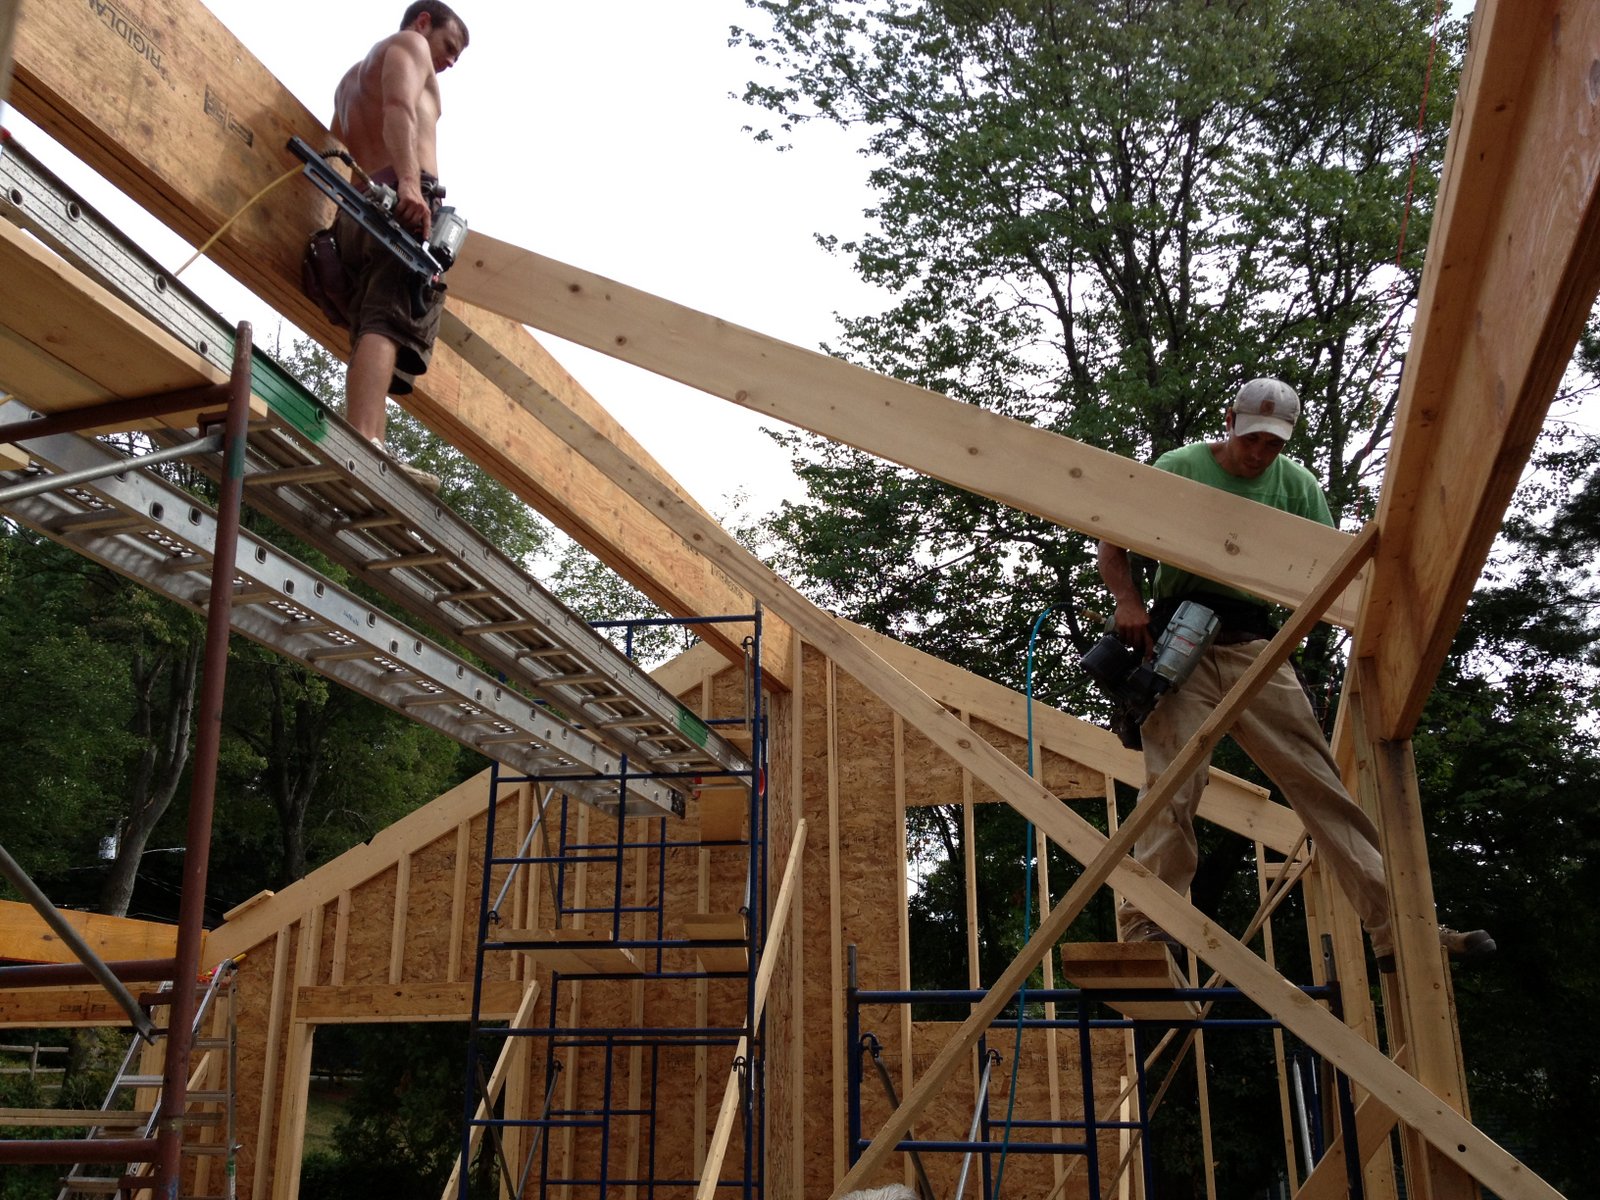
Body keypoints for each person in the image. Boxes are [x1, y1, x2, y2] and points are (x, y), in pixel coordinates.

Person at [1096, 378, 1491, 973]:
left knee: (1318, 783)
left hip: (1257, 643)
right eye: (1252, 439)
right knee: (1174, 787)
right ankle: (1149, 929)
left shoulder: (1297, 486)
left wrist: (1309, 634)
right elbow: (1114, 535)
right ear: (1231, 422)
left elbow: (1329, 572)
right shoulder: (1180, 466)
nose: (1260, 454)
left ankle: (1399, 930)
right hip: (1181, 646)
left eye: (1272, 444)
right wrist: (1128, 603)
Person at [330, 1, 470, 492]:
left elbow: (337, 149)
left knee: (374, 319)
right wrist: (411, 187)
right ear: (424, 22)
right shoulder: (409, 45)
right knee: (390, 318)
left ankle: (367, 434)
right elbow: (399, 110)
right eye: (449, 47)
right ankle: (365, 441)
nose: (450, 62)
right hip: (401, 203)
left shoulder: (350, 82)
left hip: (362, 206)